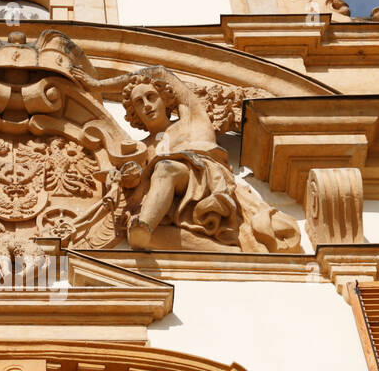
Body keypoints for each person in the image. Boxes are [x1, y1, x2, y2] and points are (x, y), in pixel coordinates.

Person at [122, 67, 300, 253]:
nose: (147, 106)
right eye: (138, 103)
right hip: (166, 206)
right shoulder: (142, 148)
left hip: (202, 178)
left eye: (151, 97)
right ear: (134, 112)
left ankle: (144, 223)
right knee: (148, 238)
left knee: (165, 168)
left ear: (165, 98)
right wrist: (127, 177)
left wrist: (98, 85)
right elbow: (136, 191)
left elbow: (162, 73)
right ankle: (227, 252)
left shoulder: (191, 121)